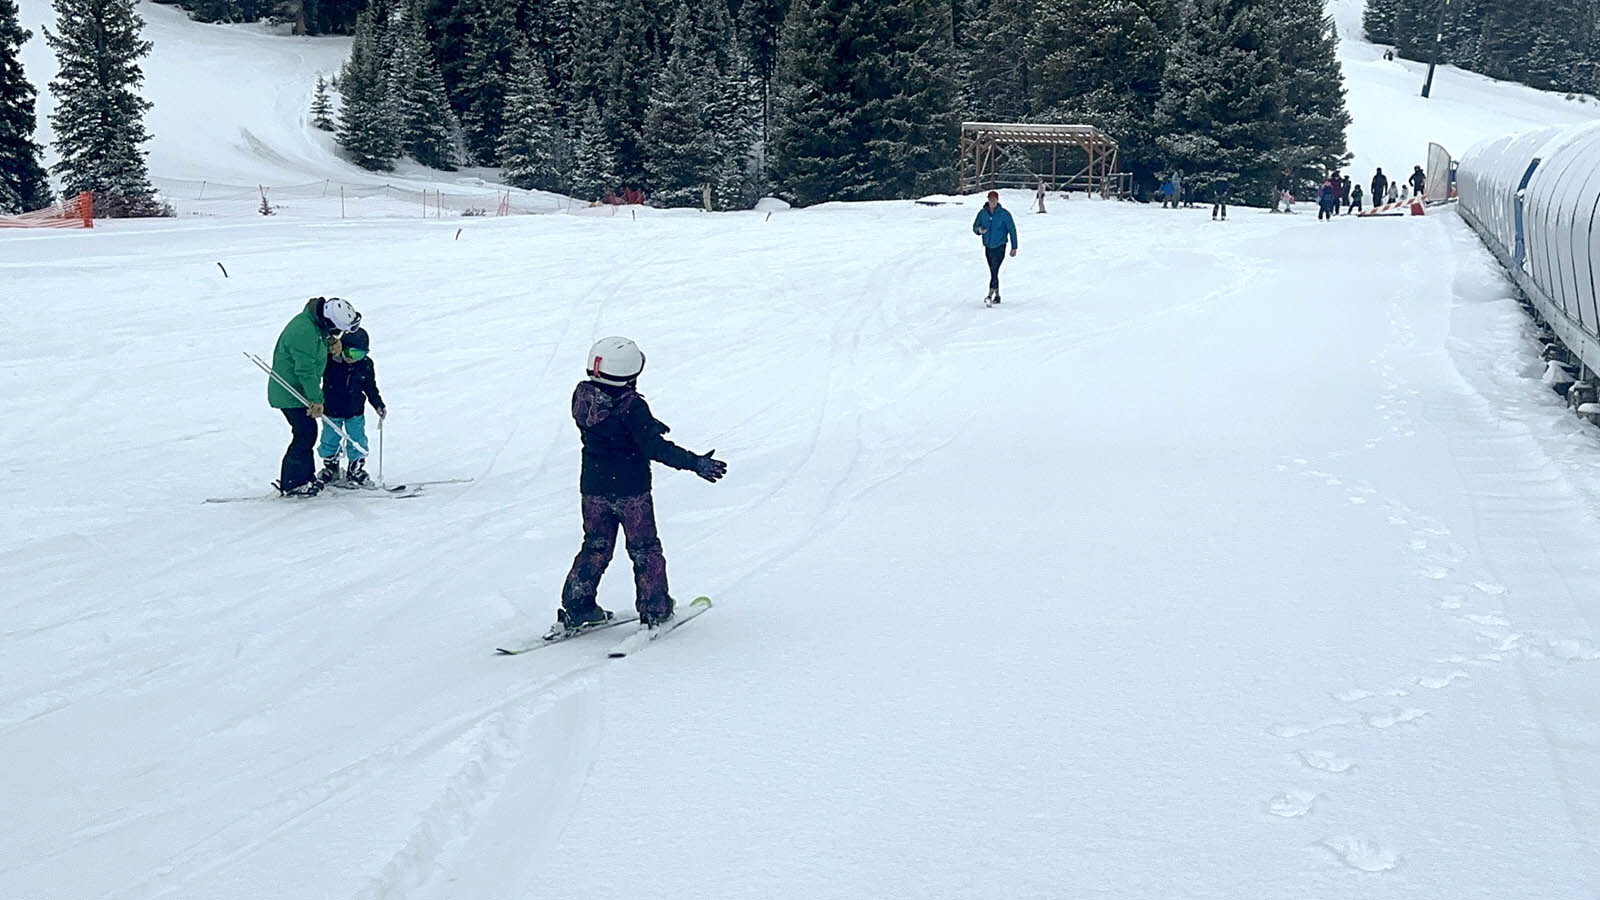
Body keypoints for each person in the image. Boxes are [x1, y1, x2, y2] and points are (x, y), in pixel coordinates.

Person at [557, 337, 727, 632]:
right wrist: (694, 462)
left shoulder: (582, 396)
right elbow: (654, 448)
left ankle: (578, 606)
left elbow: (608, 426)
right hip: (630, 492)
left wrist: (644, 427)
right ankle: (656, 610)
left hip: (593, 489)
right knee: (645, 549)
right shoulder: (632, 406)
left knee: (595, 546)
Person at [269, 296, 360, 497]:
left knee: (307, 432)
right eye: (336, 330)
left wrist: (330, 343)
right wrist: (317, 400)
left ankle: (303, 478)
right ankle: (293, 483)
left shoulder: (313, 325)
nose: (337, 334)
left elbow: (317, 342)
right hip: (291, 392)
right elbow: (306, 371)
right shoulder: (303, 331)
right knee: (304, 433)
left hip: (300, 390)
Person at [317, 326, 386, 486]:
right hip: (332, 409)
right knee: (329, 438)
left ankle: (356, 468)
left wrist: (377, 404)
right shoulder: (329, 362)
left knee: (357, 439)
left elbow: (370, 387)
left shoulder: (365, 365)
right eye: (350, 353)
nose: (353, 358)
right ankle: (331, 467)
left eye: (359, 354)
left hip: (354, 410)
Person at [972, 190, 1018, 305]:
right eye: (990, 200)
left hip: (1000, 246)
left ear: (997, 200)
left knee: (994, 269)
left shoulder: (1004, 214)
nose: (992, 202)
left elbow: (1012, 229)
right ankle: (997, 295)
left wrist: (1014, 247)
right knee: (993, 270)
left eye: (994, 200)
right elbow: (975, 226)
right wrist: (979, 230)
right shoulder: (983, 213)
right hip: (988, 246)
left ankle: (990, 294)